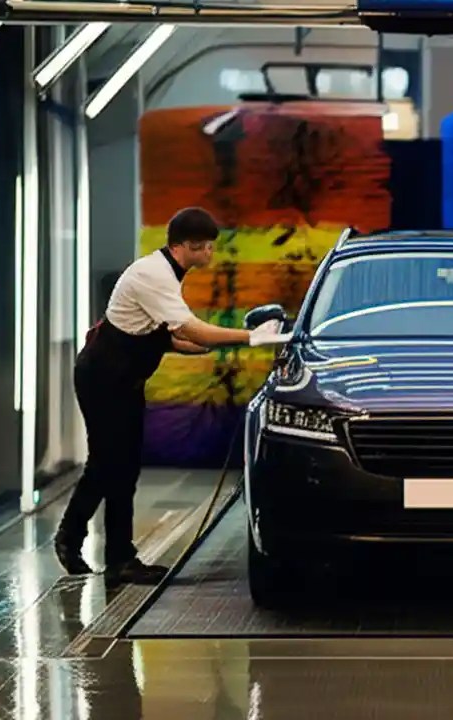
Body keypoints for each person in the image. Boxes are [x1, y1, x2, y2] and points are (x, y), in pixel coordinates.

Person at [54, 206, 286, 585]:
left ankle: (97, 549)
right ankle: (99, 550)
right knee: (112, 465)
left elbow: (178, 340)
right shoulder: (154, 275)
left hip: (122, 380)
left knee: (118, 466)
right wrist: (252, 338)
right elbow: (192, 331)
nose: (211, 253)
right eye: (208, 247)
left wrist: (225, 345)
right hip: (103, 379)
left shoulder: (166, 274)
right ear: (188, 246)